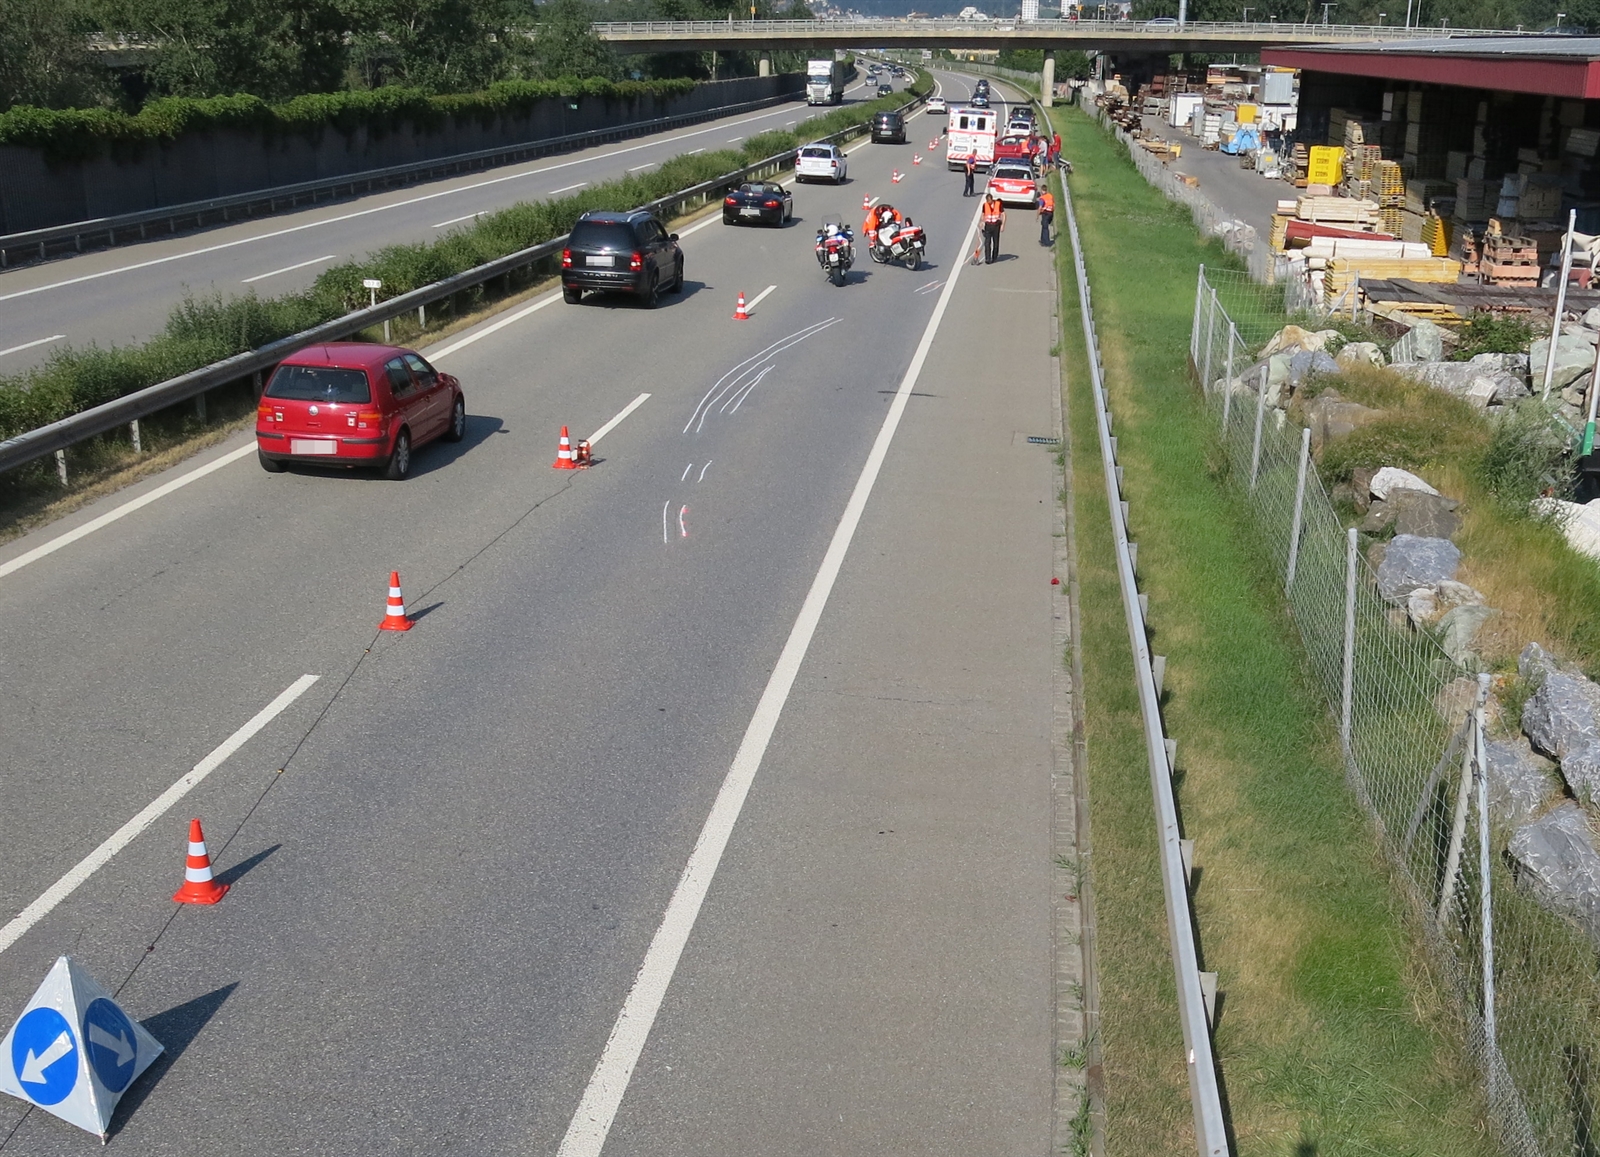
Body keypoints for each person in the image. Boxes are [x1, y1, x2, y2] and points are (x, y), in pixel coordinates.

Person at [981, 194, 1005, 263]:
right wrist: (982, 221)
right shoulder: (985, 205)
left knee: (996, 242)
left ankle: (994, 256)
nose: (989, 202)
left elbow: (1003, 214)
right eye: (987, 201)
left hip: (996, 226)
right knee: (987, 243)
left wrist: (1003, 225)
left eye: (989, 201)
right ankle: (987, 258)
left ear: (992, 199)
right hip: (988, 226)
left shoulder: (998, 204)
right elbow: (983, 214)